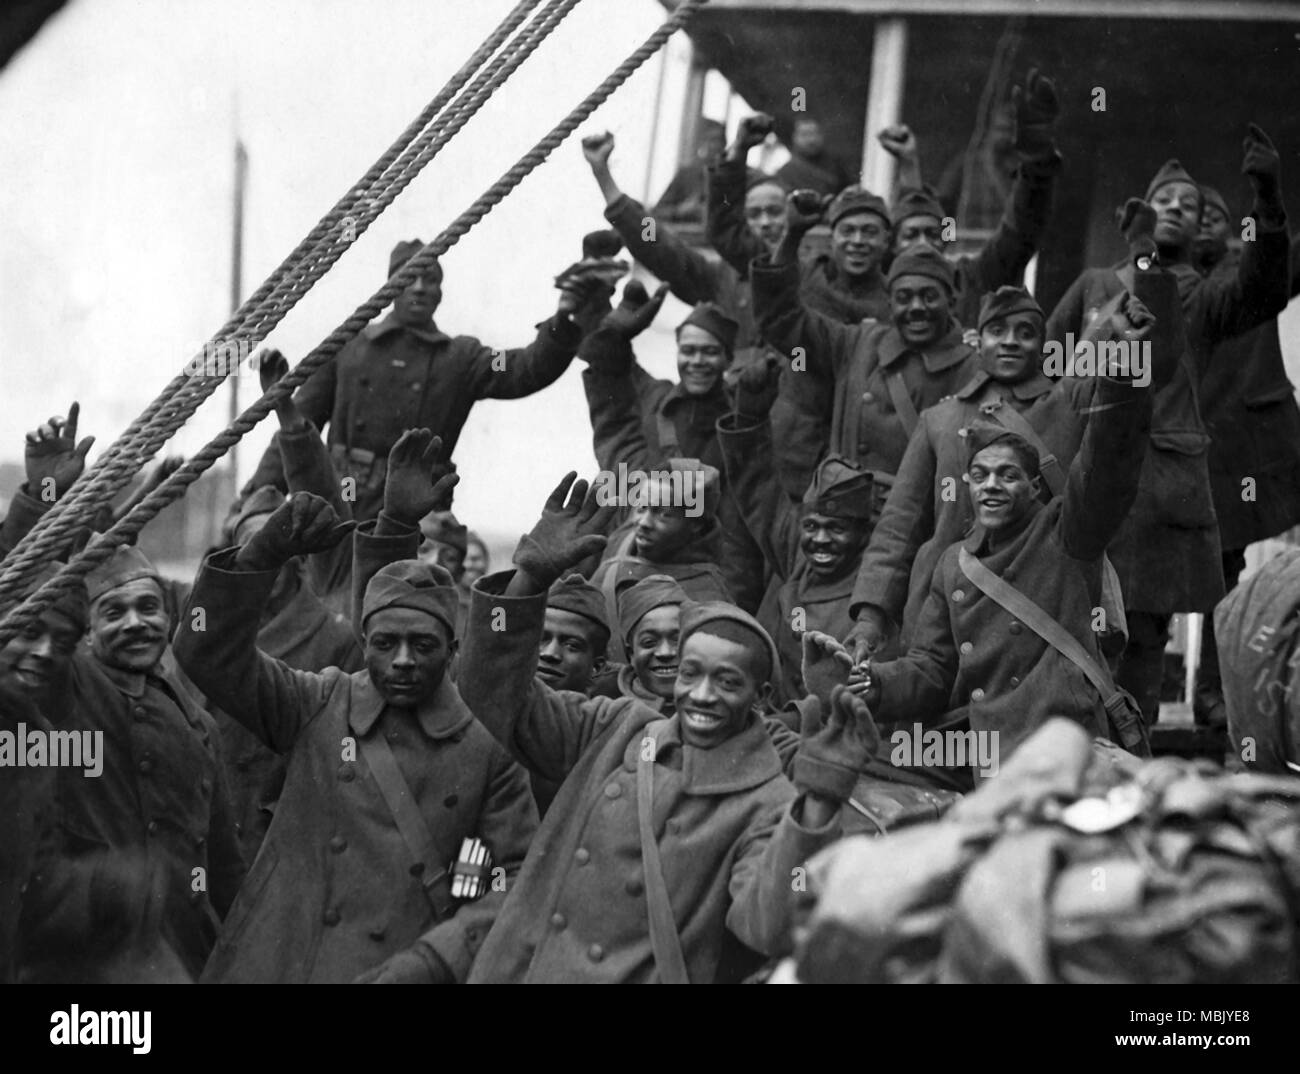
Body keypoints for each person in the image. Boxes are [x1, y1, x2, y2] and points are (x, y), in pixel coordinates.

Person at [459, 473, 879, 983]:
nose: (701, 695)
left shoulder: (765, 798)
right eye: (690, 672)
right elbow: (496, 700)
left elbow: (766, 926)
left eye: (726, 681)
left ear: (760, 697)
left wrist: (819, 803)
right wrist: (527, 582)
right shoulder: (616, 726)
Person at [174, 430, 537, 983]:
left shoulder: (484, 755)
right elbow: (206, 649)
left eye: (424, 645)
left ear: (454, 648)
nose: (405, 661)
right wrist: (263, 554)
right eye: (387, 644)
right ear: (364, 645)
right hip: (273, 963)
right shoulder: (317, 702)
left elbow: (504, 880)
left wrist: (432, 960)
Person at [1045, 127, 1292, 724]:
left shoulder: (1204, 296)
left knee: (1144, 634)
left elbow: (1262, 288)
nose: (1180, 209)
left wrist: (1267, 199)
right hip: (1090, 469)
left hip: (1162, 483)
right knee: (1075, 619)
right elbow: (1050, 362)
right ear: (1142, 210)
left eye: (1192, 205)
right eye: (1167, 200)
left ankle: (1133, 761)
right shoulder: (1094, 285)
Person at [854, 310, 1158, 790]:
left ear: (1036, 487)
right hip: (988, 750)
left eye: (1007, 475)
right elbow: (932, 671)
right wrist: (874, 684)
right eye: (979, 476)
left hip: (1065, 750)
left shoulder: (1067, 535)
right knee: (850, 761)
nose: (991, 486)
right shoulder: (955, 564)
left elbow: (1109, 466)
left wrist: (1120, 374)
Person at [239, 238, 606, 522]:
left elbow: (525, 367)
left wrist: (565, 319)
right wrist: (254, 500)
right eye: (408, 277)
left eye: (429, 279)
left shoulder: (461, 358)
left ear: (439, 293)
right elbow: (297, 425)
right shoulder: (347, 348)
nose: (418, 287)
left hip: (418, 516)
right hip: (345, 502)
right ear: (390, 288)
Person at [753, 237, 977, 520]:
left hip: (918, 532)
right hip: (845, 525)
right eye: (904, 298)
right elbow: (783, 321)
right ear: (889, 303)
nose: (917, 307)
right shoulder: (858, 343)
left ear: (951, 300)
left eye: (930, 296)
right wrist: (791, 236)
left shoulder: (972, 367)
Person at [579, 281, 766, 611]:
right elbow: (613, 400)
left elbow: (737, 533)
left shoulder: (737, 424)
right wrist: (614, 336)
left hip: (697, 569)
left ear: (728, 357)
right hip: (635, 548)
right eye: (688, 350)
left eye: (710, 351)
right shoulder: (654, 395)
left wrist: (732, 608)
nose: (697, 361)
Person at [1190, 185, 1300, 727]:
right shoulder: (1160, 280)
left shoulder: (1253, 278)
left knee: (1222, 571)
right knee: (1148, 579)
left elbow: (1288, 263)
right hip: (1168, 445)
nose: (1206, 223)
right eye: (1197, 214)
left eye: (1218, 215)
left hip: (1231, 449)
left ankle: (1213, 692)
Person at [717, 381, 874, 704]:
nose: (820, 540)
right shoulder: (798, 555)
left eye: (836, 529)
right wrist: (749, 415)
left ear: (862, 535)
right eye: (811, 526)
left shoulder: (873, 594)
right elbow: (756, 485)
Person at [879, 68, 1063, 330]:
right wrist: (909, 165)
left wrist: (1036, 156)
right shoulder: (877, 287)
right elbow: (934, 206)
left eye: (933, 234)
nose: (924, 244)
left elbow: (1022, 228)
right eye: (911, 235)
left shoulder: (972, 279)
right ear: (892, 245)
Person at [650, 118, 727, 225]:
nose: (715, 146)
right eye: (711, 140)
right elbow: (655, 214)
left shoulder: (731, 178)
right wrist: (679, 211)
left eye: (720, 141)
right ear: (700, 143)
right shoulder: (686, 175)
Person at [776, 118, 854, 197]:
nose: (811, 140)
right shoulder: (786, 172)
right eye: (804, 134)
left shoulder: (836, 166)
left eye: (815, 133)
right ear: (793, 137)